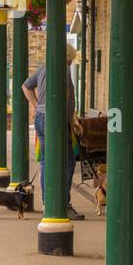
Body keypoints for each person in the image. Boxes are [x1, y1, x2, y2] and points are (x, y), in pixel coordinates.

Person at [22, 60, 83, 221]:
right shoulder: (63, 68)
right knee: (68, 162)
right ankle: (62, 204)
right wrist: (72, 119)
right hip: (56, 118)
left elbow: (26, 86)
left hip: (41, 117)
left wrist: (36, 106)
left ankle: (46, 203)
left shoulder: (43, 66)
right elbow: (69, 97)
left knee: (45, 162)